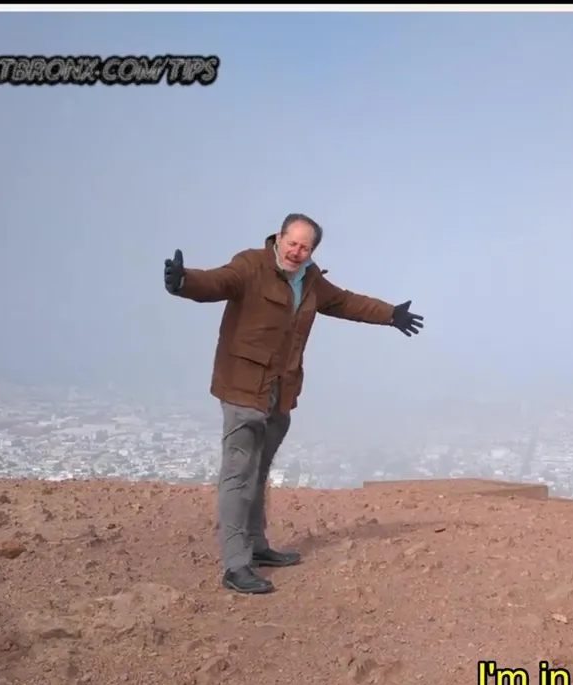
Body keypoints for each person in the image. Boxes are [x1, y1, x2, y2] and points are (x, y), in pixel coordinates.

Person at [163, 213, 425, 595]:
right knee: (238, 475)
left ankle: (257, 546)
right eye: (292, 243)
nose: (296, 252)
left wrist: (391, 314)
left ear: (312, 251)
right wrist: (184, 281)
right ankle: (236, 565)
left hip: (280, 391)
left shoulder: (311, 279)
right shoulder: (251, 265)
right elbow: (217, 282)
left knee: (259, 472)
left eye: (305, 247)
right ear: (279, 237)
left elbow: (345, 302)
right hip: (243, 388)